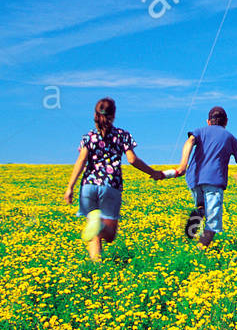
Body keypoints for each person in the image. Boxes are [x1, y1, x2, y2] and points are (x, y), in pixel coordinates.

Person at [63, 97, 163, 261]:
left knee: (93, 230)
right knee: (109, 236)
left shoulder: (88, 137)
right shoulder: (122, 135)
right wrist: (152, 172)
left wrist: (70, 187)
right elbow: (132, 160)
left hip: (88, 186)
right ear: (114, 114)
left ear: (95, 114)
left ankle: (97, 267)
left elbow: (81, 161)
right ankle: (100, 227)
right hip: (110, 186)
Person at [175, 105, 237, 248]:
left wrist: (183, 165)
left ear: (208, 121)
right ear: (226, 121)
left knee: (202, 205)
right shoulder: (230, 137)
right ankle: (199, 252)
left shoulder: (199, 131)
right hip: (214, 181)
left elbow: (189, 141)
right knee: (213, 222)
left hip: (194, 179)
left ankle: (197, 216)